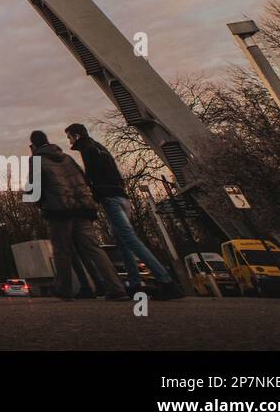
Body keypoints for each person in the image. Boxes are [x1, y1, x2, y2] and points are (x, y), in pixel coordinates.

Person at [65, 123, 184, 299]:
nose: (69, 141)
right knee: (122, 242)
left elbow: (91, 177)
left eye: (69, 137)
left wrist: (91, 192)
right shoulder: (99, 147)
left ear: (76, 135)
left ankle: (166, 281)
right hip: (120, 196)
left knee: (130, 239)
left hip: (110, 198)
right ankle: (135, 284)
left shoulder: (88, 150)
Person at [27, 130, 127, 301]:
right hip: (82, 209)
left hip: (59, 210)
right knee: (94, 249)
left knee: (62, 250)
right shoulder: (66, 158)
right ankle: (116, 288)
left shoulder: (36, 160)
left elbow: (34, 188)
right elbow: (83, 178)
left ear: (34, 145)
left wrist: (42, 203)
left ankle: (65, 290)